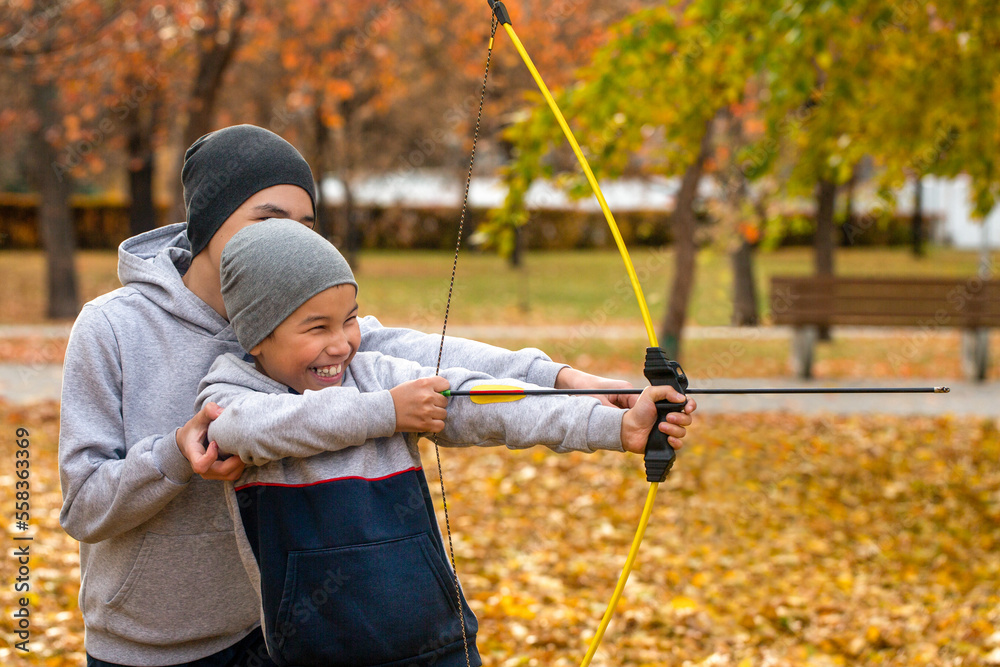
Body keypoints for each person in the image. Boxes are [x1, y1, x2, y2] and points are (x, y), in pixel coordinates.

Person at [57, 124, 695, 667]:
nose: (291, 241)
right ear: (208, 224)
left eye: (307, 225)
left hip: (277, 638)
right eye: (268, 219)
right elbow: (84, 506)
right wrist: (173, 455)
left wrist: (571, 385)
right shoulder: (113, 328)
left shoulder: (324, 331)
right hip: (147, 647)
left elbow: (448, 371)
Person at [194, 218, 689, 667]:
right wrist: (386, 412)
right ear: (257, 335)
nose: (342, 343)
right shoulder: (234, 393)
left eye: (349, 319)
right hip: (314, 655)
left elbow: (482, 398)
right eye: (316, 326)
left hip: (436, 642)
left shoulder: (376, 373)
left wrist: (612, 427)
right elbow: (248, 429)